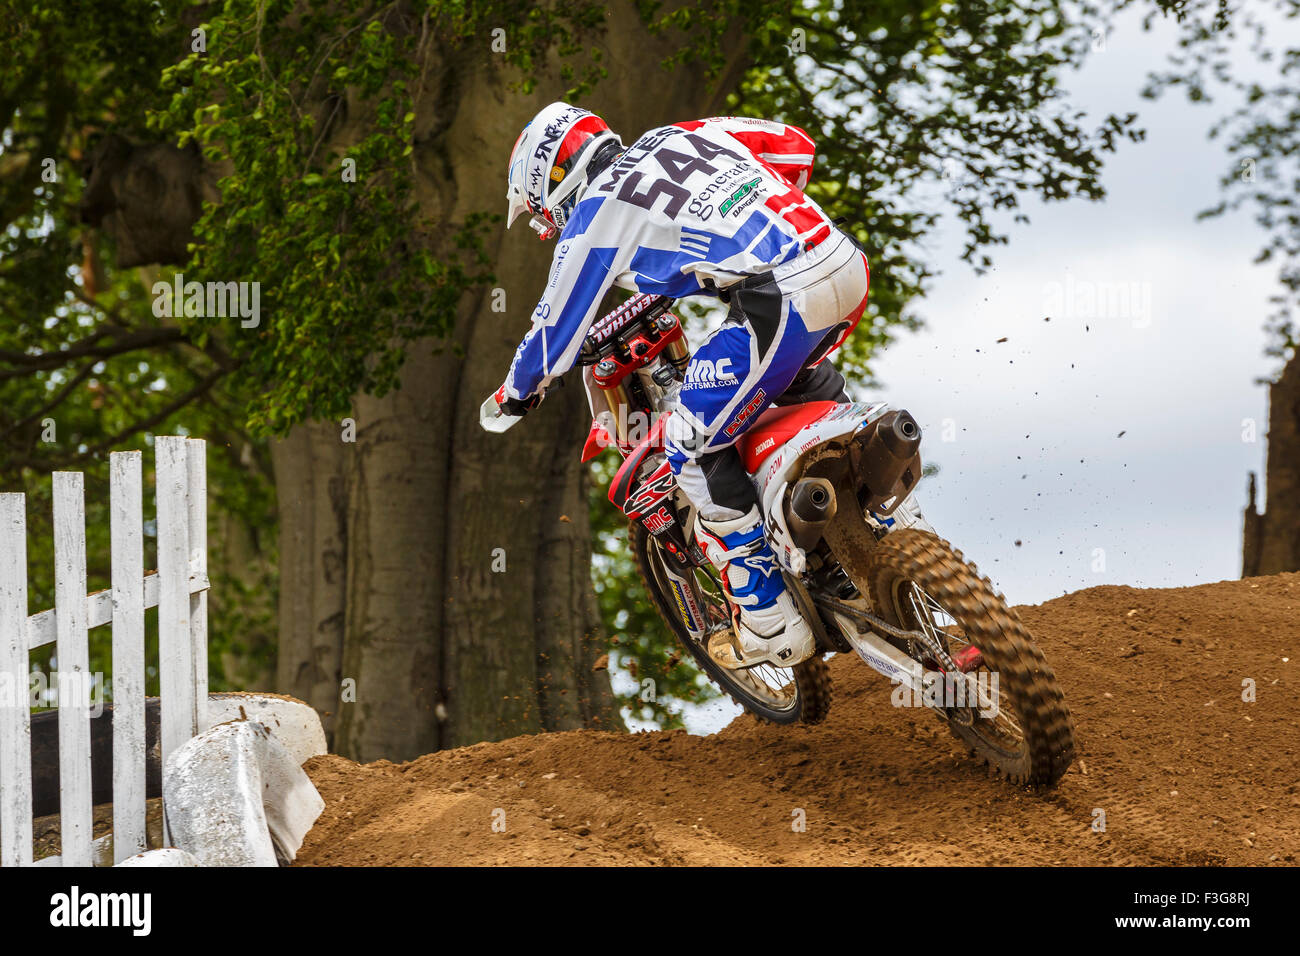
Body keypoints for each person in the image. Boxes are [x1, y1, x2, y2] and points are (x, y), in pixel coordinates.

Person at [489, 102, 871, 670]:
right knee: (795, 386)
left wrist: (513, 396)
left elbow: (554, 332)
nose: (552, 226)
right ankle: (875, 523)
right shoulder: (687, 133)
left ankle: (770, 622)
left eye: (546, 212)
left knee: (688, 446)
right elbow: (796, 147)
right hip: (841, 258)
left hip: (776, 297)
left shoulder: (594, 213)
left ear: (555, 182)